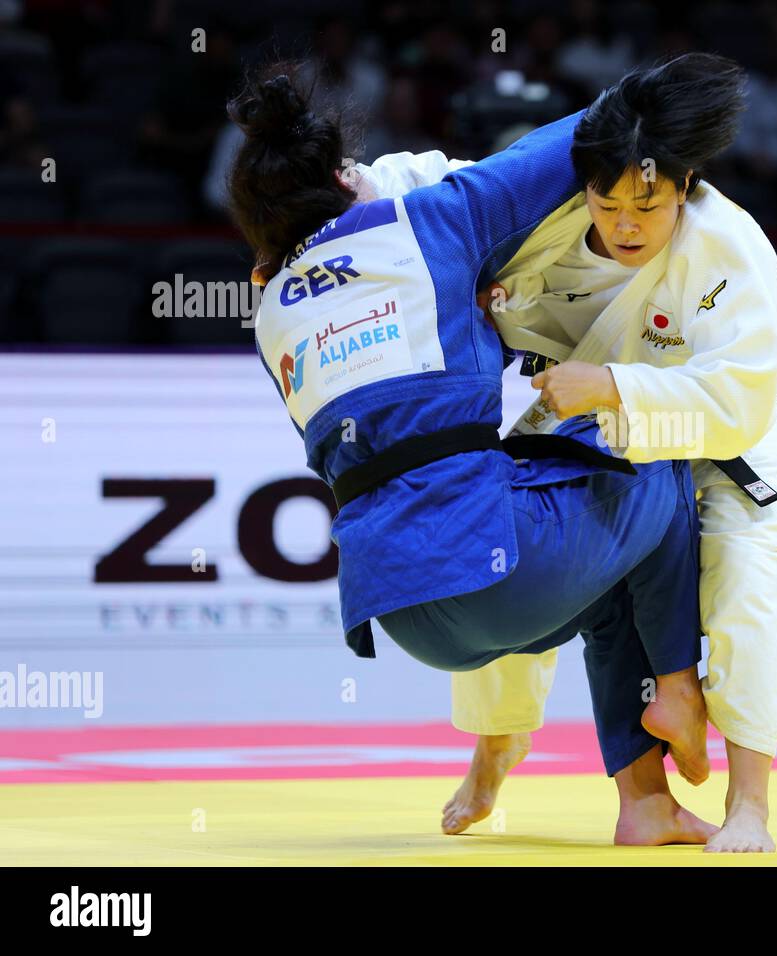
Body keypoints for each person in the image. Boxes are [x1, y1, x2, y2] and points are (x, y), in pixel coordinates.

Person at [231, 67, 712, 845]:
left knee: (601, 565)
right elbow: (591, 131)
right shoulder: (428, 221)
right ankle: (682, 691)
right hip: (504, 573)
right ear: (346, 178)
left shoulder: (268, 320)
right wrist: (672, 79)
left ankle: (646, 803)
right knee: (652, 443)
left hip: (410, 622)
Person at [446, 53, 777, 852]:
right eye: (609, 202)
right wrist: (347, 189)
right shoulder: (542, 209)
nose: (626, 225)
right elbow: (436, 184)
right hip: (603, 401)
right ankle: (498, 743)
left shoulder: (728, 248)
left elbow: (739, 402)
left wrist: (616, 387)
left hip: (758, 416)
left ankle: (751, 802)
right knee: (510, 536)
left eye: (648, 206)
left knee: (745, 577)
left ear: (684, 189)